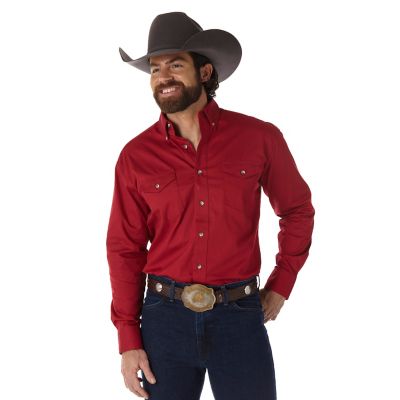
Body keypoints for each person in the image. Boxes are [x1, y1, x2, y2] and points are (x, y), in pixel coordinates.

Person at [106, 11, 315, 400]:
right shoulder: (135, 156)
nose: (163, 77)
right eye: (155, 68)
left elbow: (297, 210)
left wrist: (281, 284)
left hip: (239, 318)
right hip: (163, 321)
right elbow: (124, 248)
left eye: (175, 65)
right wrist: (128, 338)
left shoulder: (259, 138)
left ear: (204, 72)